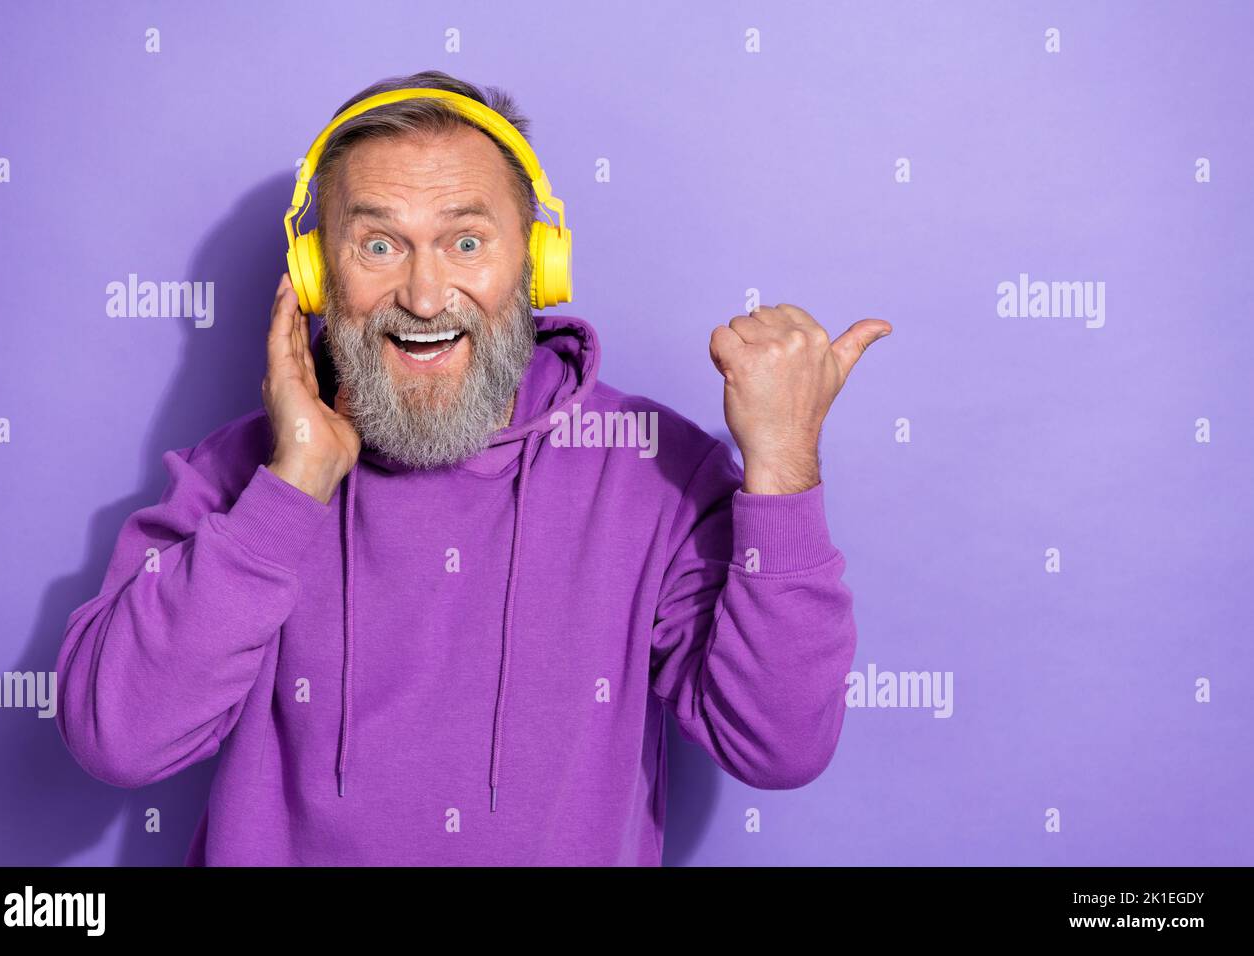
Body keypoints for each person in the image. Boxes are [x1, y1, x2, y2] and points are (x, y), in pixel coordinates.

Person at [54, 69, 891, 866]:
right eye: (379, 244)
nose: (425, 295)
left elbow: (776, 746)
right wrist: (291, 490)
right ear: (314, 276)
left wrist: (781, 466)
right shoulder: (241, 477)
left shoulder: (655, 474)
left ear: (537, 263)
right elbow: (118, 740)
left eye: (465, 241)